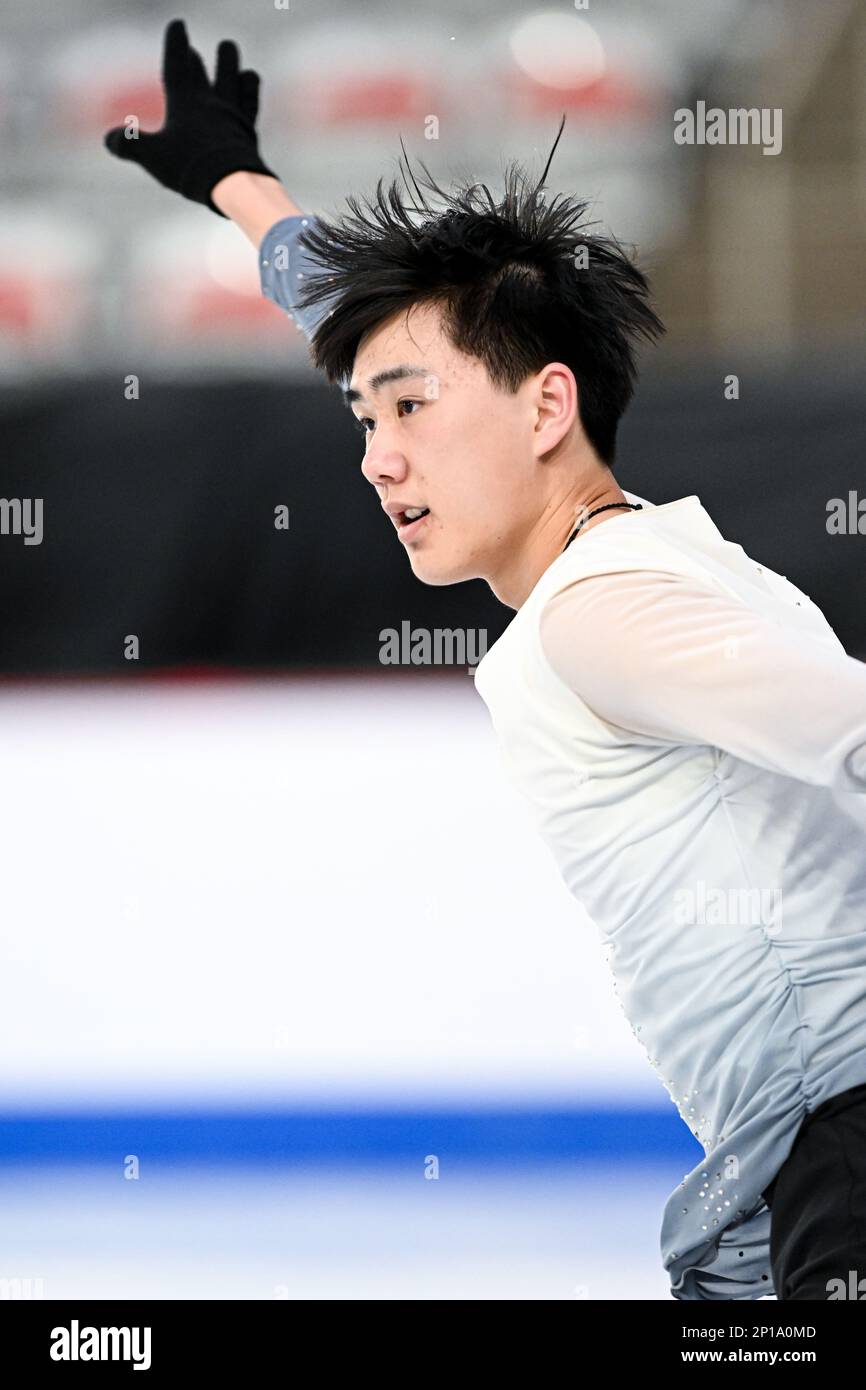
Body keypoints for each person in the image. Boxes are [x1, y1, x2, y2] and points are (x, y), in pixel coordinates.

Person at [105, 19, 866, 1301]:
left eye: (407, 410)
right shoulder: (657, 558)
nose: (375, 457)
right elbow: (374, 325)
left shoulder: (598, 613)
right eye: (363, 417)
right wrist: (237, 183)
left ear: (549, 407)